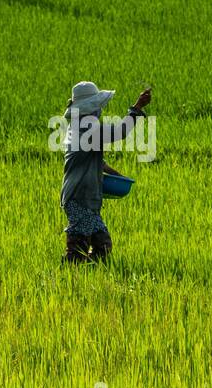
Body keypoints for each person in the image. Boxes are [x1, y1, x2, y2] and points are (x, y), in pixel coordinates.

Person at [59, 81, 151, 264]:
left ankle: (88, 280)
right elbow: (120, 131)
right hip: (79, 197)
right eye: (96, 107)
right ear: (89, 109)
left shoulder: (80, 128)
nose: (98, 111)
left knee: (102, 246)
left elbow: (98, 163)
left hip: (86, 198)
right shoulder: (85, 130)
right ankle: (65, 281)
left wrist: (119, 176)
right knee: (78, 249)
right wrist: (137, 107)